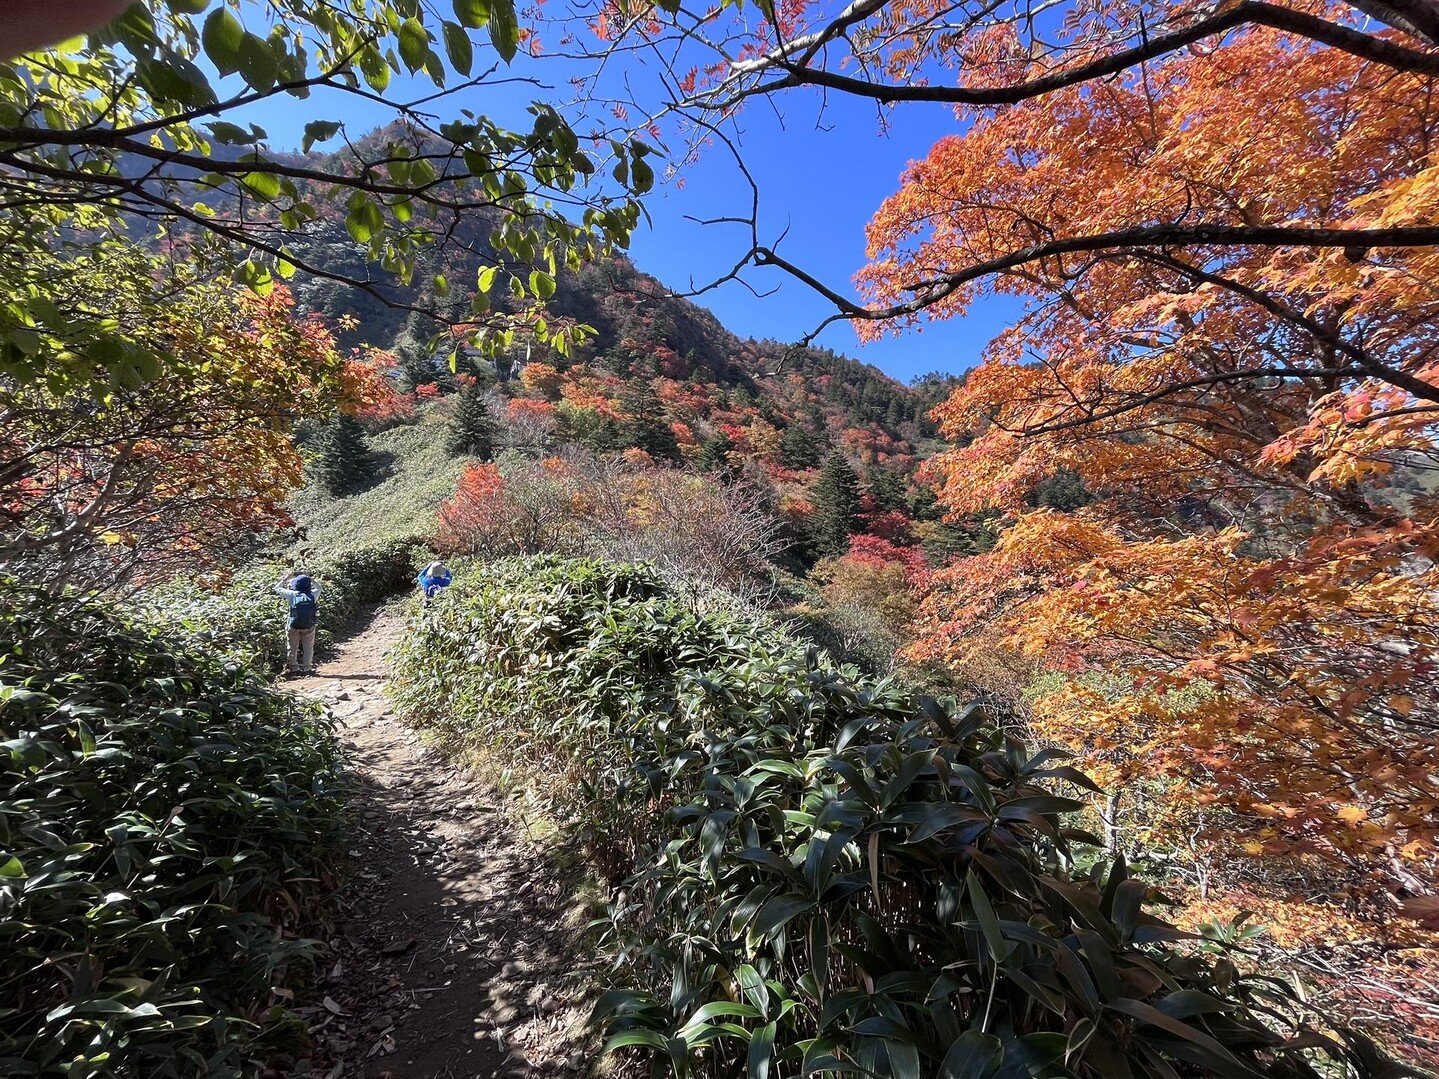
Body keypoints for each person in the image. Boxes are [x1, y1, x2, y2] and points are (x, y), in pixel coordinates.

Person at [274, 572, 321, 675]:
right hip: (309, 625)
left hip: (293, 625)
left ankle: (294, 668)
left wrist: (285, 579)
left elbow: (276, 588)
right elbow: (319, 587)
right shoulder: (313, 594)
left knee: (292, 646)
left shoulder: (291, 595)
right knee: (308, 647)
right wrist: (311, 578)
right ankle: (307, 669)